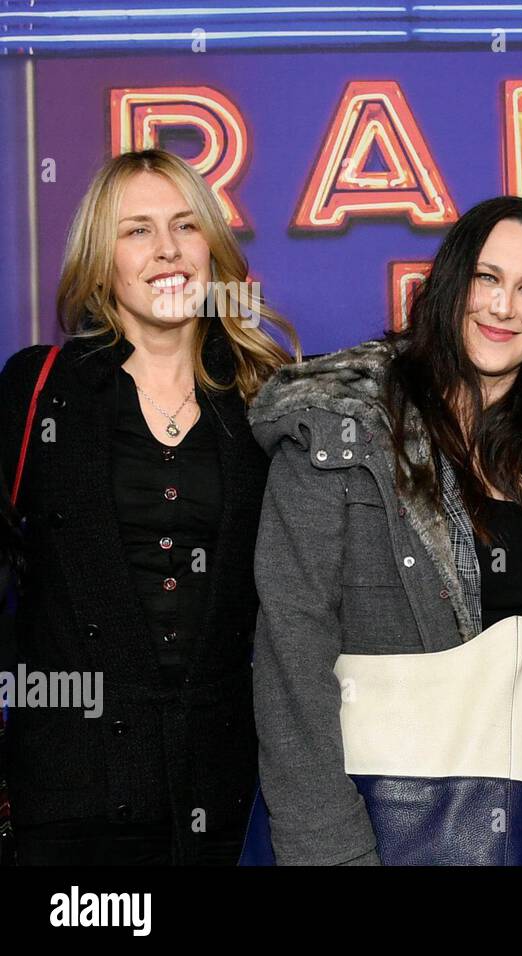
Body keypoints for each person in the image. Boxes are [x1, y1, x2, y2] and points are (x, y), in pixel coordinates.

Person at [248, 196, 522, 865]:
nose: (504, 307)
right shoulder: (342, 423)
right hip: (385, 824)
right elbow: (291, 650)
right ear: (448, 283)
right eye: (487, 278)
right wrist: (330, 850)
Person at [0, 148, 299, 864]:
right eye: (137, 230)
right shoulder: (39, 390)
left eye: (185, 227)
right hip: (67, 803)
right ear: (102, 262)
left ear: (213, 249)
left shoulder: (269, 397)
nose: (166, 250)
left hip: (232, 802)